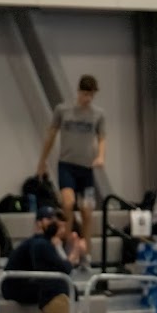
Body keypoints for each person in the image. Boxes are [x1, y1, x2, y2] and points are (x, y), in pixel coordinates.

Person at [37, 75, 106, 242]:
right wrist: (42, 161)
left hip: (86, 168)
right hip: (67, 165)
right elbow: (51, 135)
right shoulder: (63, 110)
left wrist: (101, 156)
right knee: (68, 204)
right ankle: (67, 242)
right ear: (79, 92)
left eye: (91, 96)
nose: (87, 99)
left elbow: (102, 137)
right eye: (85, 95)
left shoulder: (98, 114)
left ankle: (86, 254)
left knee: (87, 212)